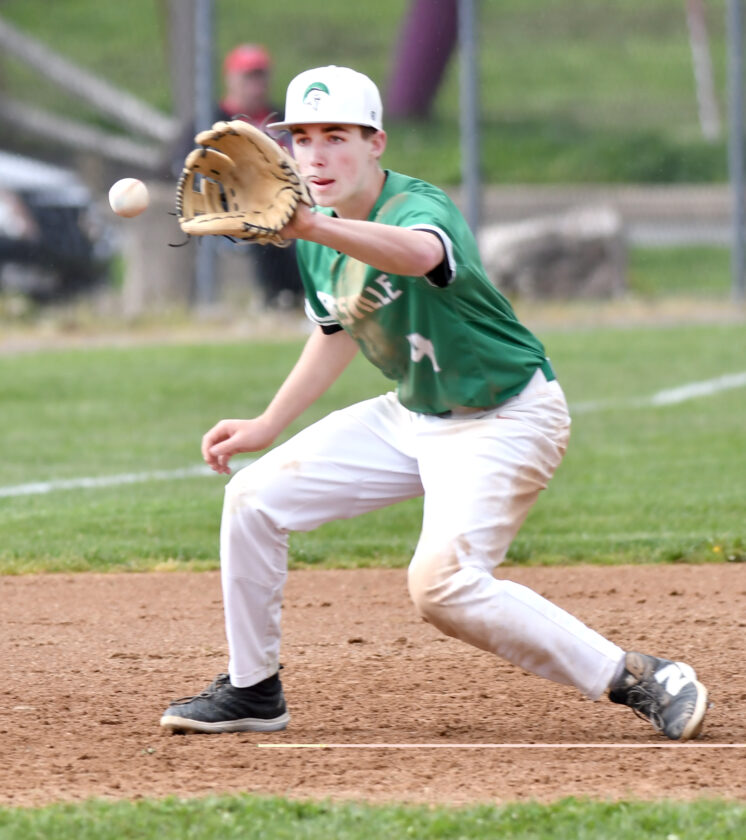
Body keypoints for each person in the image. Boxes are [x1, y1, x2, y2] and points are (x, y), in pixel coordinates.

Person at [160, 66, 709, 741]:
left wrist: (310, 227)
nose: (319, 154)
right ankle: (252, 690)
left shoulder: (417, 207)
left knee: (442, 585)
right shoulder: (314, 234)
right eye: (302, 139)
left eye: (338, 136)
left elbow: (420, 256)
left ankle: (641, 677)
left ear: (376, 143)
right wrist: (268, 423)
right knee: (253, 499)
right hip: (413, 416)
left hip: (506, 417)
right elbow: (336, 331)